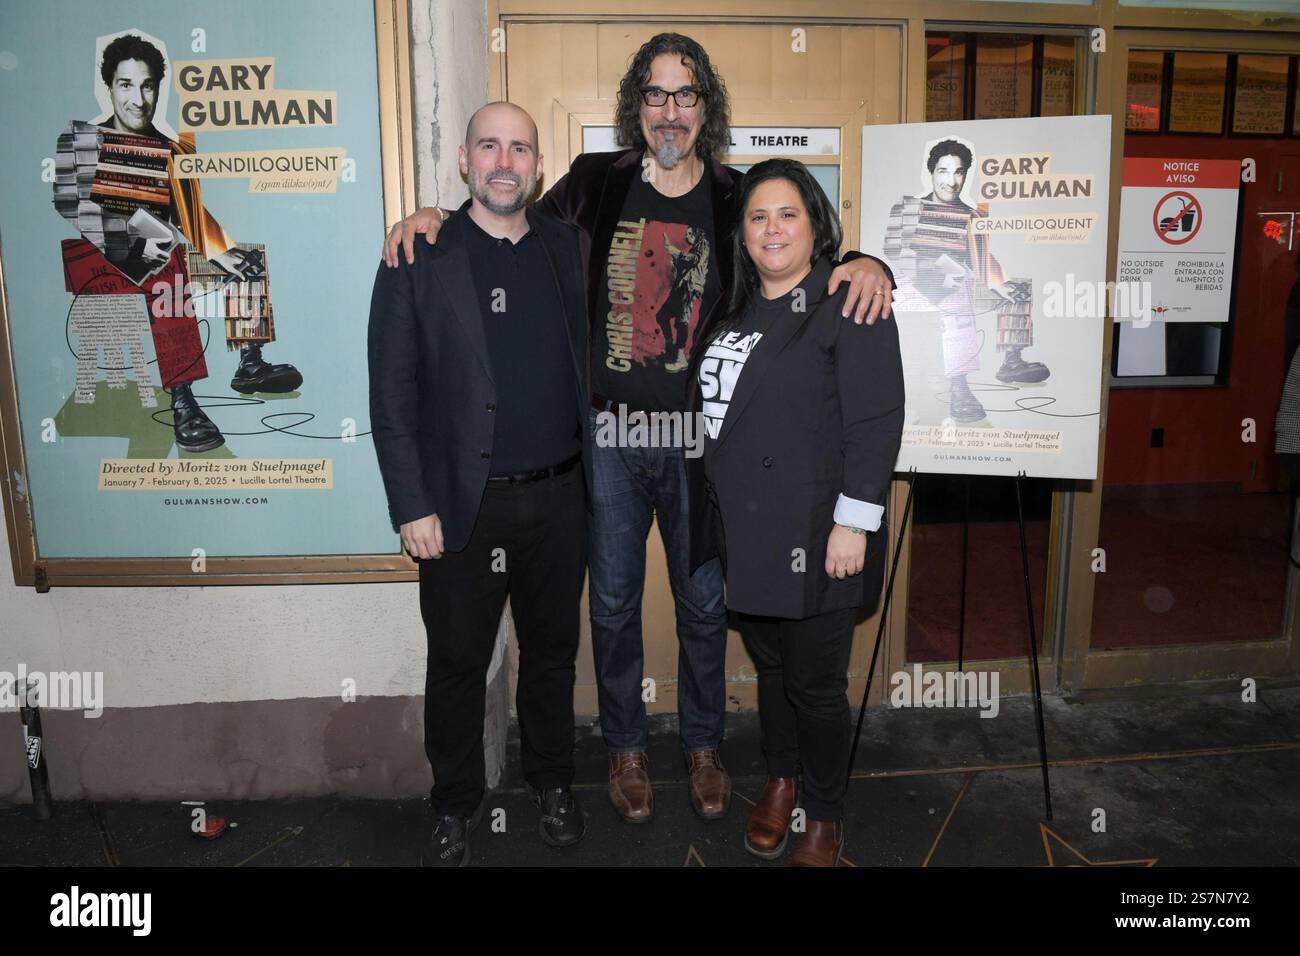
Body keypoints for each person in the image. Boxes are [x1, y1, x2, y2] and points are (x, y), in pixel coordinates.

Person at [382, 33, 895, 825]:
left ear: (705, 107)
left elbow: (795, 247)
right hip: (610, 442)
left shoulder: (733, 195)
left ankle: (702, 747)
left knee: (703, 605)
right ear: (637, 106)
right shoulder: (593, 184)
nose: (670, 110)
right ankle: (624, 749)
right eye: (654, 95)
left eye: (685, 95)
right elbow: (500, 217)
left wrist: (867, 261)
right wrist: (432, 216)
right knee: (613, 605)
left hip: (700, 446)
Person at [368, 102, 591, 866]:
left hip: (563, 499)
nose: (505, 161)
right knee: (460, 662)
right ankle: (455, 803)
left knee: (554, 656)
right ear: (464, 160)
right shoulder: (419, 255)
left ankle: (554, 783)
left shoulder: (570, 249)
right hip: (463, 509)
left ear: (537, 164)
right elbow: (390, 395)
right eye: (489, 146)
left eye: (521, 148)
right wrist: (412, 505)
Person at [689, 158, 904, 865]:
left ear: (816, 226)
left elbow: (875, 419)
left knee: (815, 687)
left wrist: (855, 521)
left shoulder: (847, 300)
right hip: (746, 534)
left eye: (788, 214)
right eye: (757, 216)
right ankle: (780, 781)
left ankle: (825, 813)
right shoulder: (735, 310)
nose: (771, 228)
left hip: (817, 535)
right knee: (774, 671)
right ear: (742, 234)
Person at [54, 32, 302, 453]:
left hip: (159, 252)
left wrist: (221, 250)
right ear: (109, 87)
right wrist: (138, 242)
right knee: (166, 256)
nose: (137, 98)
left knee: (246, 257)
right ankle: (183, 400)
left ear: (158, 89)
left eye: (147, 85)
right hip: (95, 256)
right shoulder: (81, 140)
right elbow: (71, 205)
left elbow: (191, 216)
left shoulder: (170, 149)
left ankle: (250, 364)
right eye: (125, 85)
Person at [883, 138, 1045, 424]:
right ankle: (959, 387)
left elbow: (980, 258)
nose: (951, 180)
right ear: (931, 173)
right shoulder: (908, 207)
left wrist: (998, 281)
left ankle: (1012, 362)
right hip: (913, 286)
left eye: (958, 172)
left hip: (956, 280)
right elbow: (894, 251)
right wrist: (938, 271)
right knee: (958, 293)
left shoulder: (973, 214)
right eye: (943, 171)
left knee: (1017, 287)